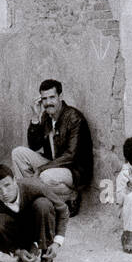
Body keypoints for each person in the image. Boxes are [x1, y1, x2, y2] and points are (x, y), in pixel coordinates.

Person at [10, 79, 93, 214]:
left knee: (45, 177)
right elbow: (34, 145)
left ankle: (71, 196)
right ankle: (33, 199)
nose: (48, 103)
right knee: (18, 153)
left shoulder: (74, 118)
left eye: (52, 97)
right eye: (44, 99)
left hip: (73, 170)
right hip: (53, 164)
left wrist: (42, 169)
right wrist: (35, 117)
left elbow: (71, 155)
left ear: (60, 97)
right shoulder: (46, 117)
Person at [0, 165, 68, 262]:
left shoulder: (35, 187)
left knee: (43, 204)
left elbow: (63, 210)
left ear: (14, 180)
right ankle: (25, 254)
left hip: (40, 226)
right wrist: (17, 251)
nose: (4, 192)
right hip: (20, 234)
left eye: (7, 185)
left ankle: (46, 257)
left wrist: (57, 243)